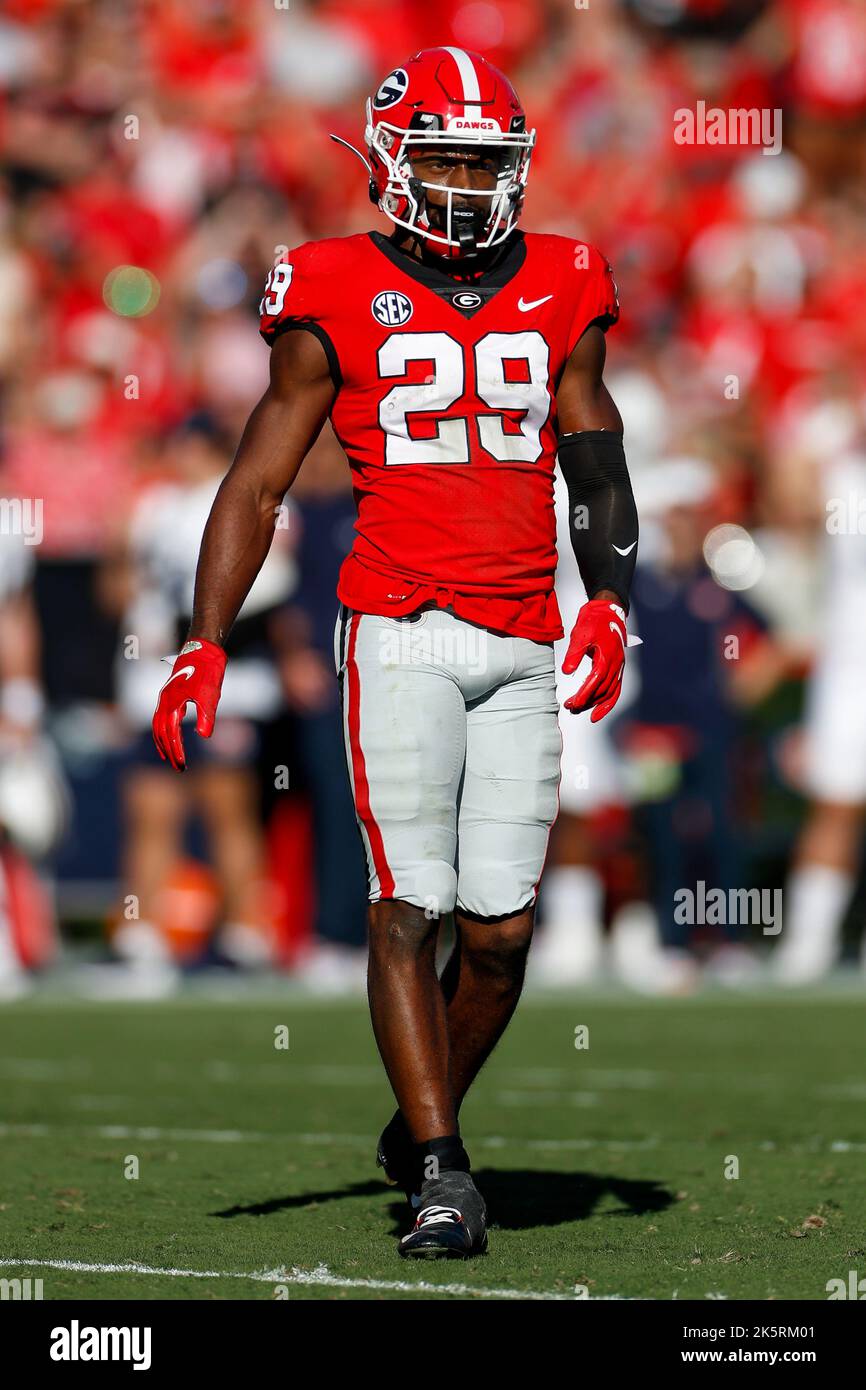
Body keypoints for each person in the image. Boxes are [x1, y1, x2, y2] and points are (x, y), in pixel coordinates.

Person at [152, 47, 638, 1259]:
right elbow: (258, 480)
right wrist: (202, 642)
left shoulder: (565, 275)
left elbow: (593, 451)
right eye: (446, 157)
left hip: (525, 629)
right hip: (399, 626)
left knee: (500, 934)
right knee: (405, 903)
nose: (470, 183)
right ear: (387, 163)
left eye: (486, 160)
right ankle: (439, 1170)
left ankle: (419, 1119)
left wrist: (611, 597)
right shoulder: (328, 284)